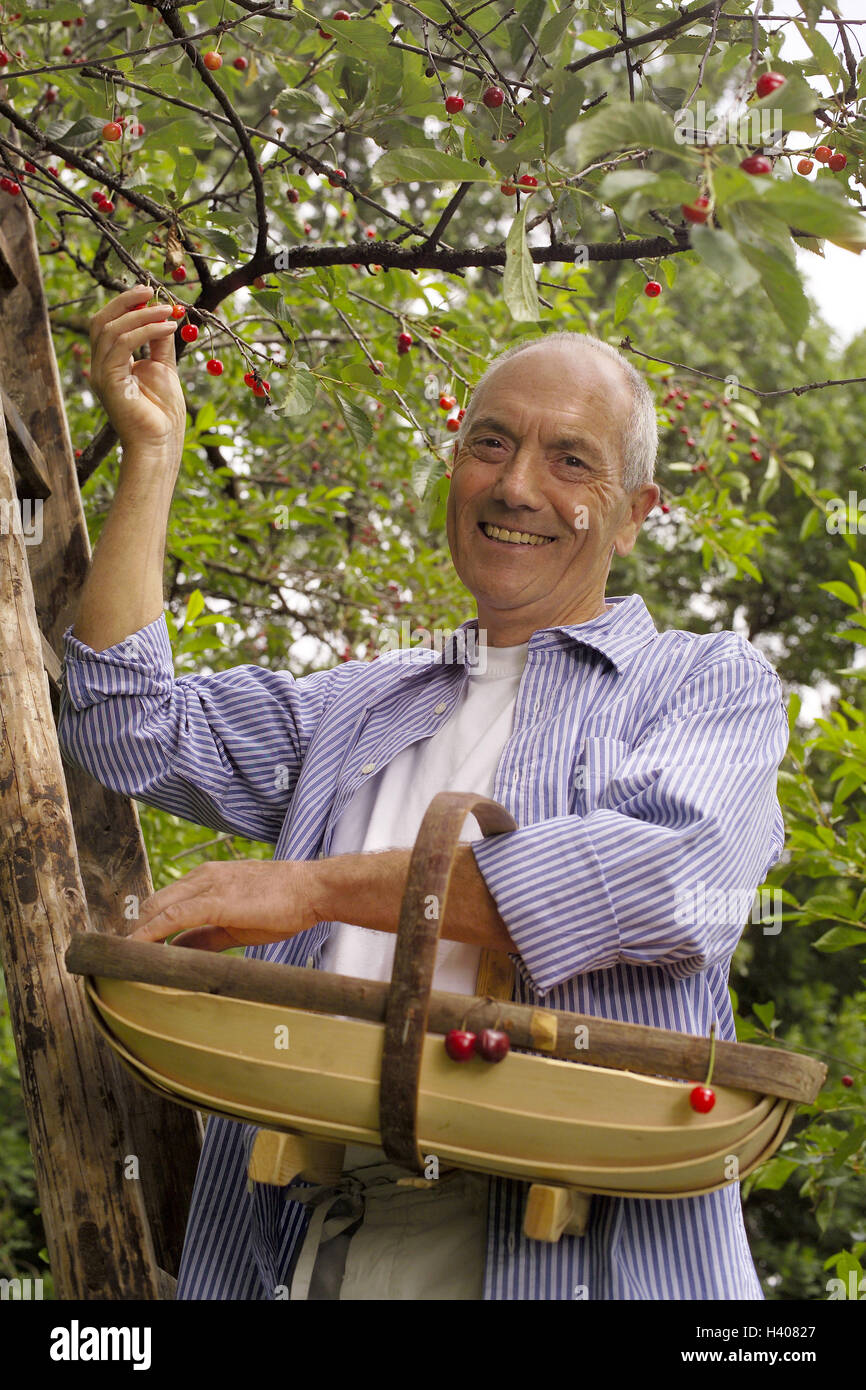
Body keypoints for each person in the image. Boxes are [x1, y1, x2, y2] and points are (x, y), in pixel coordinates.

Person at [57, 285, 788, 1299]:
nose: (515, 486)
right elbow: (123, 723)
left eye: (569, 459)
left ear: (633, 516)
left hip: (564, 1254)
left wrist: (310, 889)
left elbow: (658, 880)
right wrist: (152, 453)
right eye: (488, 445)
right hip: (307, 1231)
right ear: (452, 469)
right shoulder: (358, 704)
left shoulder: (705, 683)